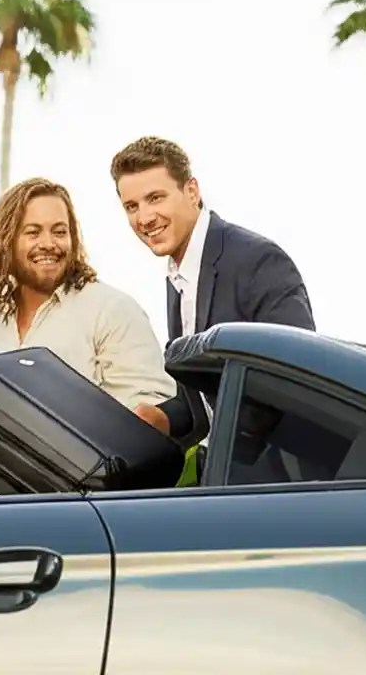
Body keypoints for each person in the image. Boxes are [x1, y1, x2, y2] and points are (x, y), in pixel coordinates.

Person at [108, 136, 316, 477]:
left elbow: (295, 380)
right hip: (223, 474)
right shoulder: (178, 275)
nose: (144, 217)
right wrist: (159, 418)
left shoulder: (258, 260)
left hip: (278, 481)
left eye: (155, 198)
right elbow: (203, 401)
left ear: (192, 192)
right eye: (132, 206)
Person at [0, 177, 176, 412]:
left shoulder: (111, 310)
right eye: (33, 232)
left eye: (59, 232)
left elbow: (149, 410)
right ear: (6, 242)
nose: (49, 243)